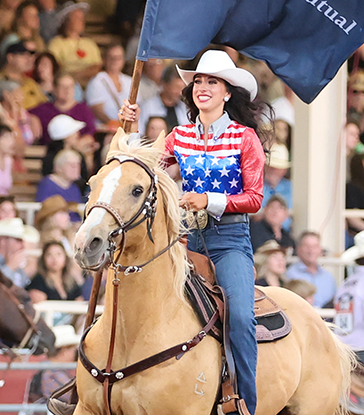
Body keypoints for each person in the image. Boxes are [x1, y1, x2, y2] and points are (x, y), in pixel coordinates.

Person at [109, 48, 270, 412]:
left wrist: (208, 200)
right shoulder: (179, 136)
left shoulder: (245, 138)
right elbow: (142, 170)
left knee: (241, 316)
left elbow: (254, 198)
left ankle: (244, 401)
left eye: (212, 81)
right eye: (198, 80)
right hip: (184, 240)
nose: (203, 86)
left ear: (227, 92)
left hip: (229, 240)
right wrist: (127, 129)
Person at [284, 233, 336, 308]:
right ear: (298, 249)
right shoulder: (289, 274)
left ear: (320, 249)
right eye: (307, 246)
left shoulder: (328, 277)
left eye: (315, 246)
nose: (311, 250)